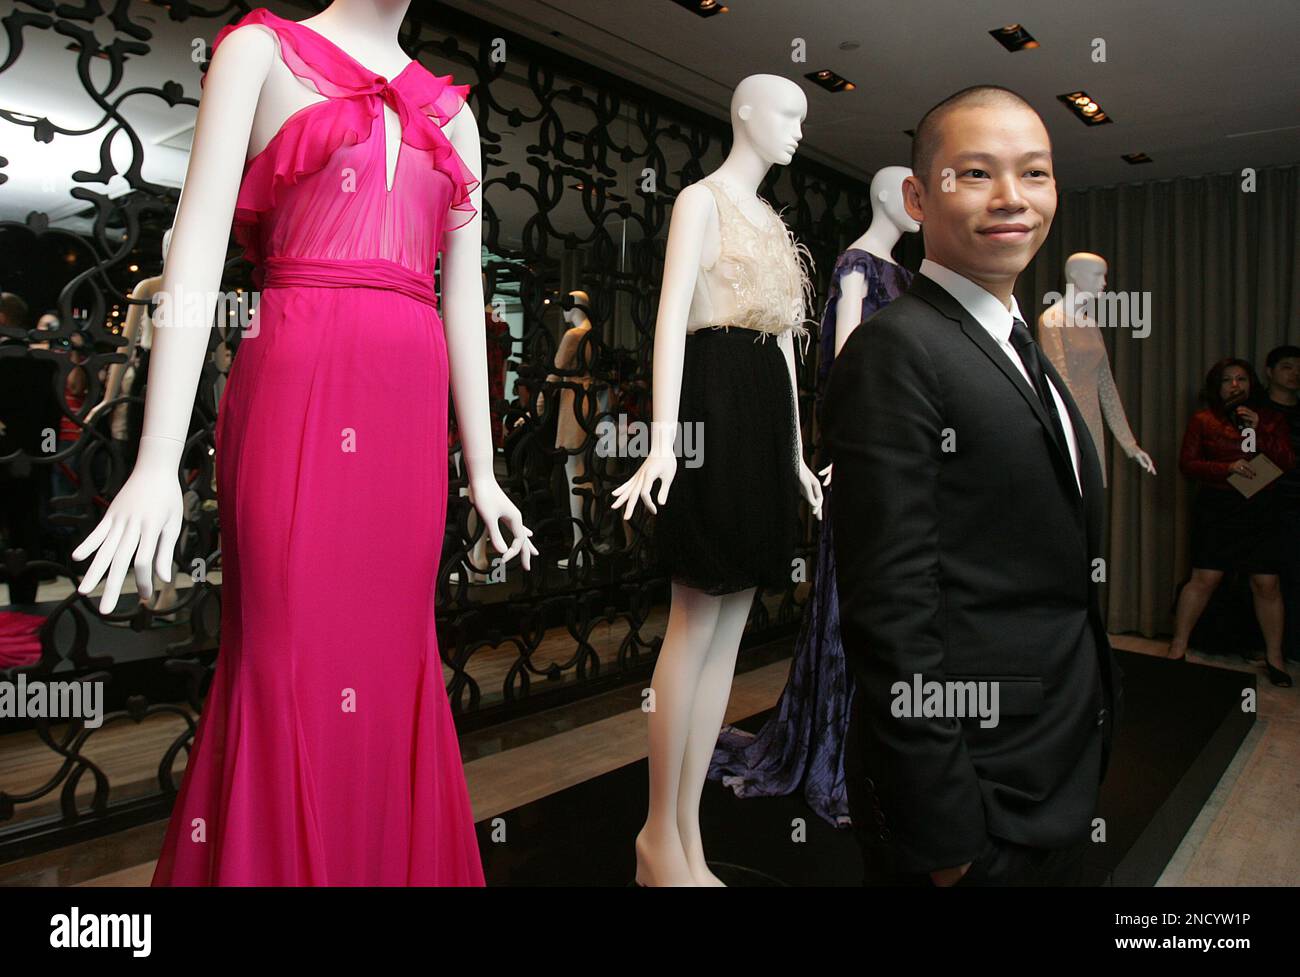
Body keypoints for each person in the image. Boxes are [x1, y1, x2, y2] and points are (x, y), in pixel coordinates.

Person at [824, 85, 1120, 886]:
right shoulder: (896, 351)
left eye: (1035, 173)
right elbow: (890, 609)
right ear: (919, 196)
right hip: (971, 795)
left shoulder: (1027, 347)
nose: (1011, 199)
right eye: (977, 174)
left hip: (1053, 759)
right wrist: (949, 838)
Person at [1170, 358, 1295, 685]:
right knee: (1205, 578)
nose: (1235, 385)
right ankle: (1177, 648)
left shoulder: (1269, 419)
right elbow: (1188, 464)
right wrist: (1225, 468)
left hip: (1260, 507)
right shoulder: (1203, 420)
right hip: (1218, 505)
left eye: (1242, 379)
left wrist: (1261, 430)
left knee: (1266, 583)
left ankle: (1275, 657)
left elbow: (1286, 461)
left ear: (1252, 384)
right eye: (1228, 380)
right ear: (1218, 386)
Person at [1264, 345, 1300, 664]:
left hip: (1296, 504)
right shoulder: (1254, 409)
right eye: (1287, 366)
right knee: (1264, 580)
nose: (1295, 373)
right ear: (1270, 371)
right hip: (1261, 504)